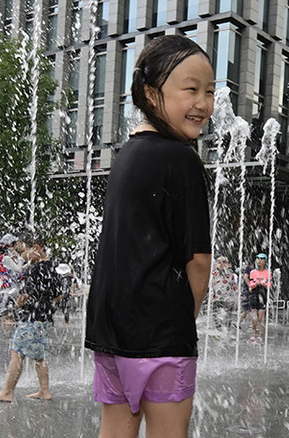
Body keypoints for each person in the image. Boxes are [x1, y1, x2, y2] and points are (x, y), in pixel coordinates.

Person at [85, 35, 215, 438]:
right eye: (191, 89)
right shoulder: (182, 160)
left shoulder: (126, 155)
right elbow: (198, 260)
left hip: (111, 328)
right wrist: (184, 320)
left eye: (210, 91)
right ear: (150, 93)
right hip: (161, 331)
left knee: (114, 431)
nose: (203, 103)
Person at [0, 236, 65, 402]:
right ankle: (44, 391)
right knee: (40, 356)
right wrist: (46, 304)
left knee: (17, 353)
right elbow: (59, 295)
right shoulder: (53, 268)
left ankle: (8, 392)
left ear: (35, 248)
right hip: (45, 319)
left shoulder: (34, 269)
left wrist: (15, 308)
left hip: (30, 318)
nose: (21, 256)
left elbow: (25, 295)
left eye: (22, 251)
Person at [246, 253, 271, 343]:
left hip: (262, 294)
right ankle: (253, 335)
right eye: (258, 259)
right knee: (253, 316)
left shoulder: (267, 272)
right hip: (254, 295)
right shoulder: (253, 272)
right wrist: (255, 283)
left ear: (265, 261)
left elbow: (270, 285)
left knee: (261, 317)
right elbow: (251, 284)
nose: (259, 261)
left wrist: (264, 283)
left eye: (261, 259)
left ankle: (260, 336)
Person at [208, 256, 236, 329]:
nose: (221, 264)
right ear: (216, 264)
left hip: (228, 298)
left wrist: (238, 295)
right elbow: (211, 285)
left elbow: (233, 284)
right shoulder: (214, 273)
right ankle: (218, 329)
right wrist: (212, 294)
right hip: (217, 297)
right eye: (219, 262)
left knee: (228, 316)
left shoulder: (230, 273)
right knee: (215, 315)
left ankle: (227, 330)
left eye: (224, 262)